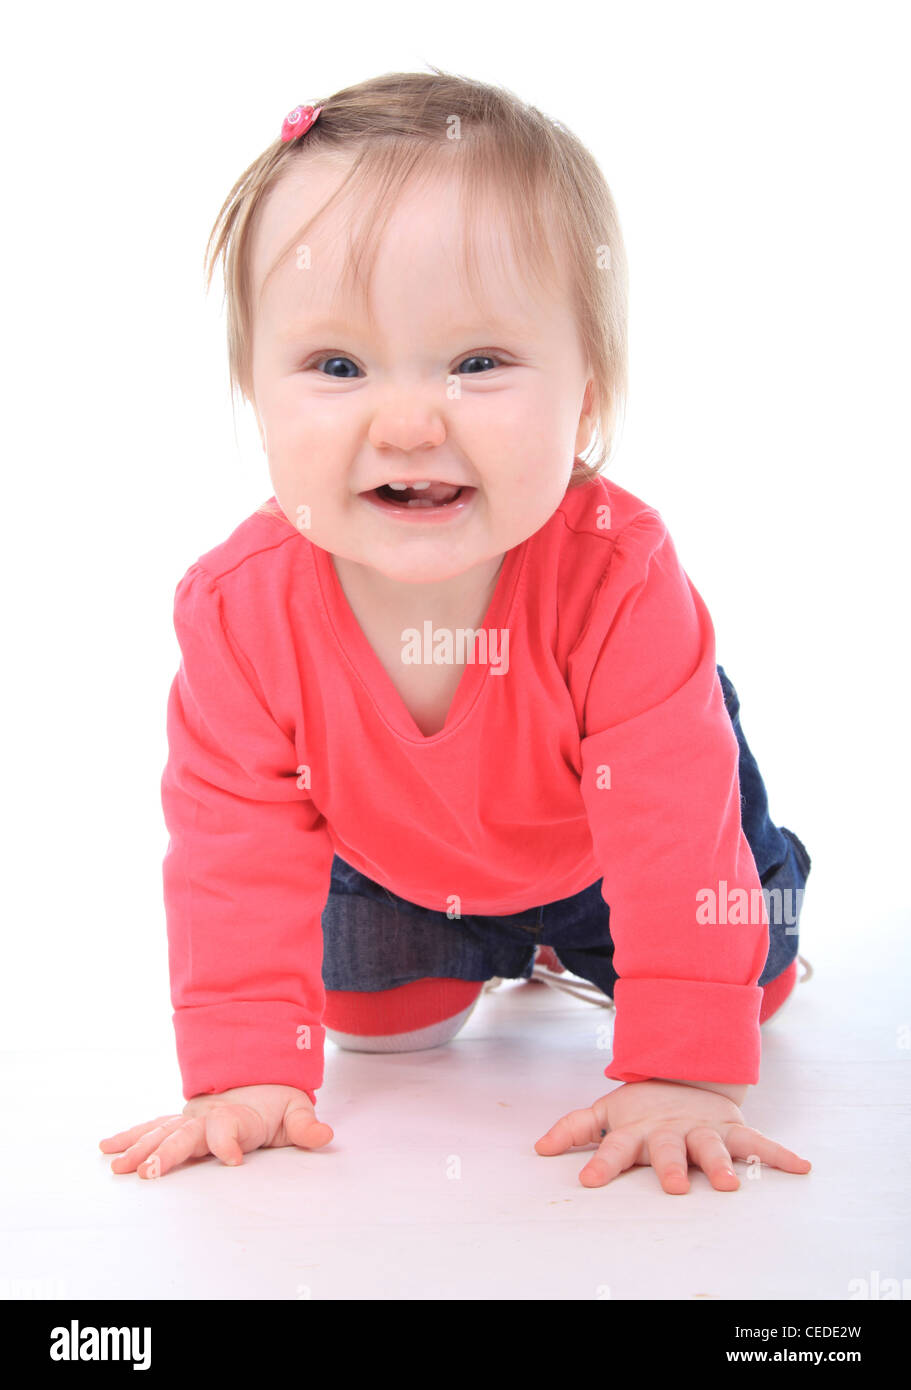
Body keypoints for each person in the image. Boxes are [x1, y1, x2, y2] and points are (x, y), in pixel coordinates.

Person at [99, 68, 813, 1194]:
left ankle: (719, 905)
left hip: (610, 851)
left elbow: (674, 829)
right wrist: (238, 1069)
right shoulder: (237, 607)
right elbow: (235, 841)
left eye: (477, 364)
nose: (408, 420)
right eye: (336, 367)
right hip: (397, 866)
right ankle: (486, 948)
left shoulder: (616, 576)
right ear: (255, 394)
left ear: (583, 400)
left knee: (747, 980)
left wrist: (684, 1068)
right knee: (375, 1029)